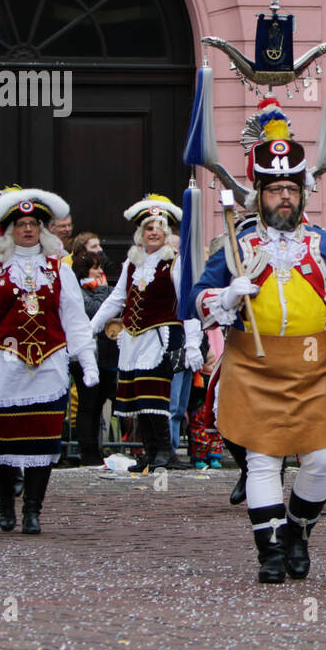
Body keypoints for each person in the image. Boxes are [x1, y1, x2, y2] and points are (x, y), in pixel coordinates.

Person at [192, 107, 326, 583]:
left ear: (302, 195)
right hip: (253, 362)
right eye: (275, 190)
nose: (284, 198)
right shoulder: (234, 243)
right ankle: (270, 552)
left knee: (320, 458)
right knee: (263, 456)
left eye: (291, 190)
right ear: (259, 193)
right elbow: (196, 300)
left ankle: (298, 532)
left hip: (313, 363)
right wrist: (227, 294)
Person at [0, 189, 99, 534]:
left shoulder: (58, 270)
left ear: (43, 230)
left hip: (47, 368)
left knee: (41, 443)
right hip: (3, 366)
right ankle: (5, 503)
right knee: (2, 442)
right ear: (9, 230)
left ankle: (33, 509)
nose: (28, 229)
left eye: (33, 223)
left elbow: (74, 319)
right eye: (21, 224)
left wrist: (87, 359)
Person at [88, 195, 203, 472]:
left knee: (156, 395)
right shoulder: (132, 264)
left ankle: (165, 451)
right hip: (133, 338)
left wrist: (194, 344)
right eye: (149, 227)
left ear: (167, 233)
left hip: (160, 336)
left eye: (159, 227)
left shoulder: (174, 263)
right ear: (141, 233)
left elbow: (187, 304)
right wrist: (90, 329)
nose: (154, 232)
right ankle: (151, 453)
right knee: (138, 395)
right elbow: (117, 299)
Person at [71, 250, 117, 465]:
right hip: (85, 354)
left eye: (101, 267)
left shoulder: (102, 288)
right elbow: (93, 309)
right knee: (87, 404)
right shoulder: (77, 289)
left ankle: (96, 449)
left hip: (105, 355)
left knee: (99, 402)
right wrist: (102, 290)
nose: (100, 272)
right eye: (95, 267)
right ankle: (87, 450)